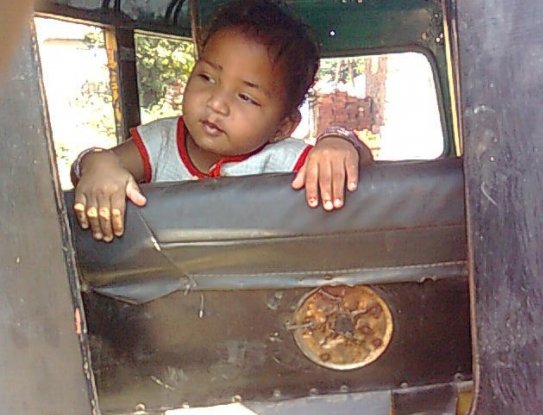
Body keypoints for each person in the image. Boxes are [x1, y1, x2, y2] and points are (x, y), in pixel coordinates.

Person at [71, 0, 372, 242]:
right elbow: (103, 162)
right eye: (206, 77)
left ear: (283, 126)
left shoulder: (285, 160)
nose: (216, 103)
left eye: (246, 97)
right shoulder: (161, 141)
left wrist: (338, 141)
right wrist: (98, 165)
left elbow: (361, 169)